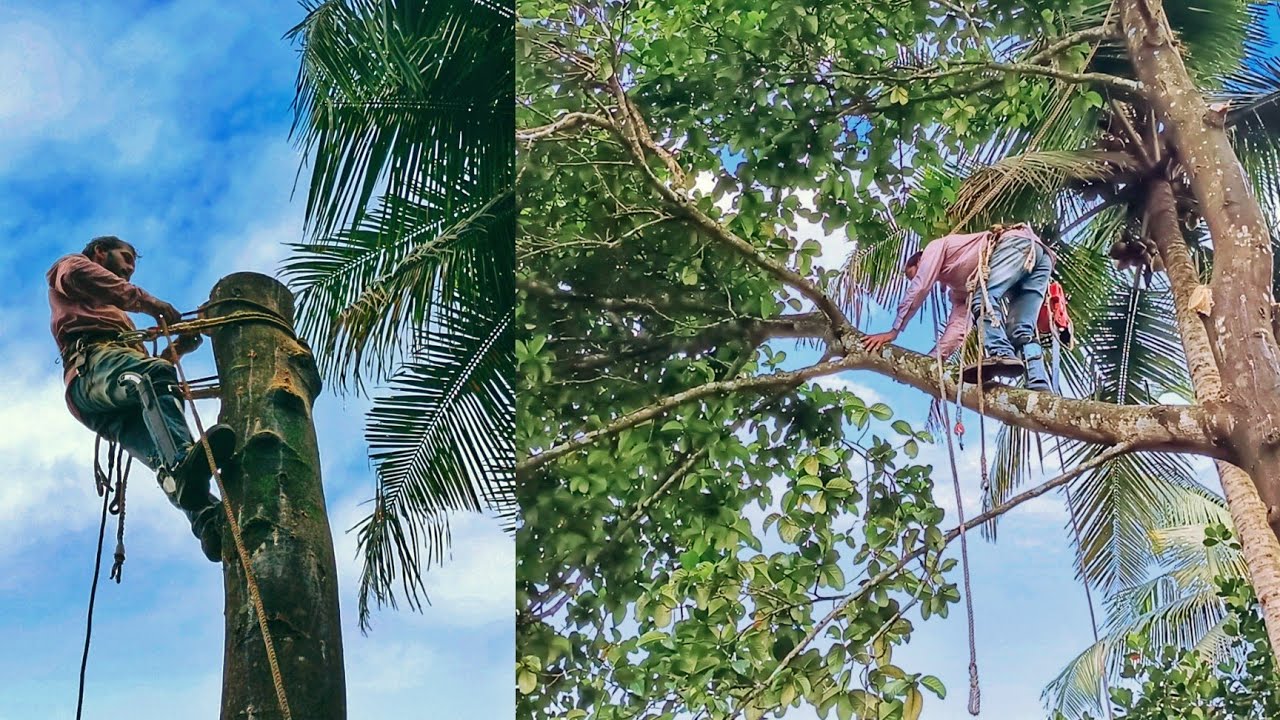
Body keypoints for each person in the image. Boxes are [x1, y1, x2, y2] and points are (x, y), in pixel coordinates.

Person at [47, 236, 235, 562]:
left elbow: (149, 380)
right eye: (126, 258)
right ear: (100, 252)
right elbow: (79, 276)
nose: (130, 269)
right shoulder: (73, 266)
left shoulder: (115, 315)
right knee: (160, 396)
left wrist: (178, 349)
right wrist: (151, 304)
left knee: (168, 456)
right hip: (91, 369)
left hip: (113, 397)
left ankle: (208, 524)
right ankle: (182, 463)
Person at [861, 223, 1055, 391]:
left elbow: (920, 286)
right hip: (1041, 258)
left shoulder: (936, 246)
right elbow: (958, 329)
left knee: (983, 299)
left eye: (917, 272)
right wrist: (932, 360)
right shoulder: (960, 288)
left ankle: (1001, 353)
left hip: (1015, 245)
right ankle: (1038, 383)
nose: (927, 276)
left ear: (921, 260)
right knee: (1020, 329)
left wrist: (894, 331)